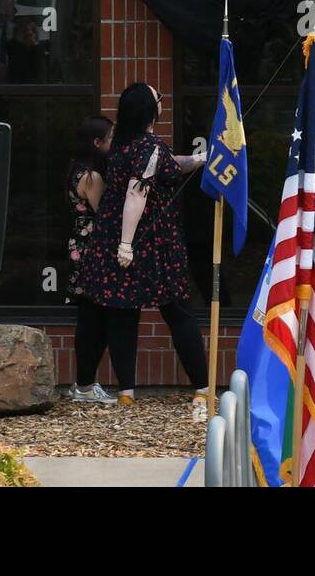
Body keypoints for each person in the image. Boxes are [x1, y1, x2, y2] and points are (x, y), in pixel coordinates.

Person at [77, 83, 212, 417]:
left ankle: (127, 392)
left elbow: (168, 164)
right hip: (148, 241)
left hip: (111, 236)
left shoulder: (125, 143)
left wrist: (199, 159)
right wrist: (126, 244)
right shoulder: (149, 145)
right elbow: (137, 193)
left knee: (122, 313)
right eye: (159, 99)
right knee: (178, 311)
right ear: (151, 110)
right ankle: (203, 387)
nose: (163, 103)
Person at [64, 115, 117, 404]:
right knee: (94, 321)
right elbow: (104, 215)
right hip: (94, 252)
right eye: (109, 138)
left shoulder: (74, 170)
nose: (112, 143)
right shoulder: (92, 177)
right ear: (97, 143)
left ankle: (84, 383)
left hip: (79, 247)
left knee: (89, 318)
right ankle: (85, 384)